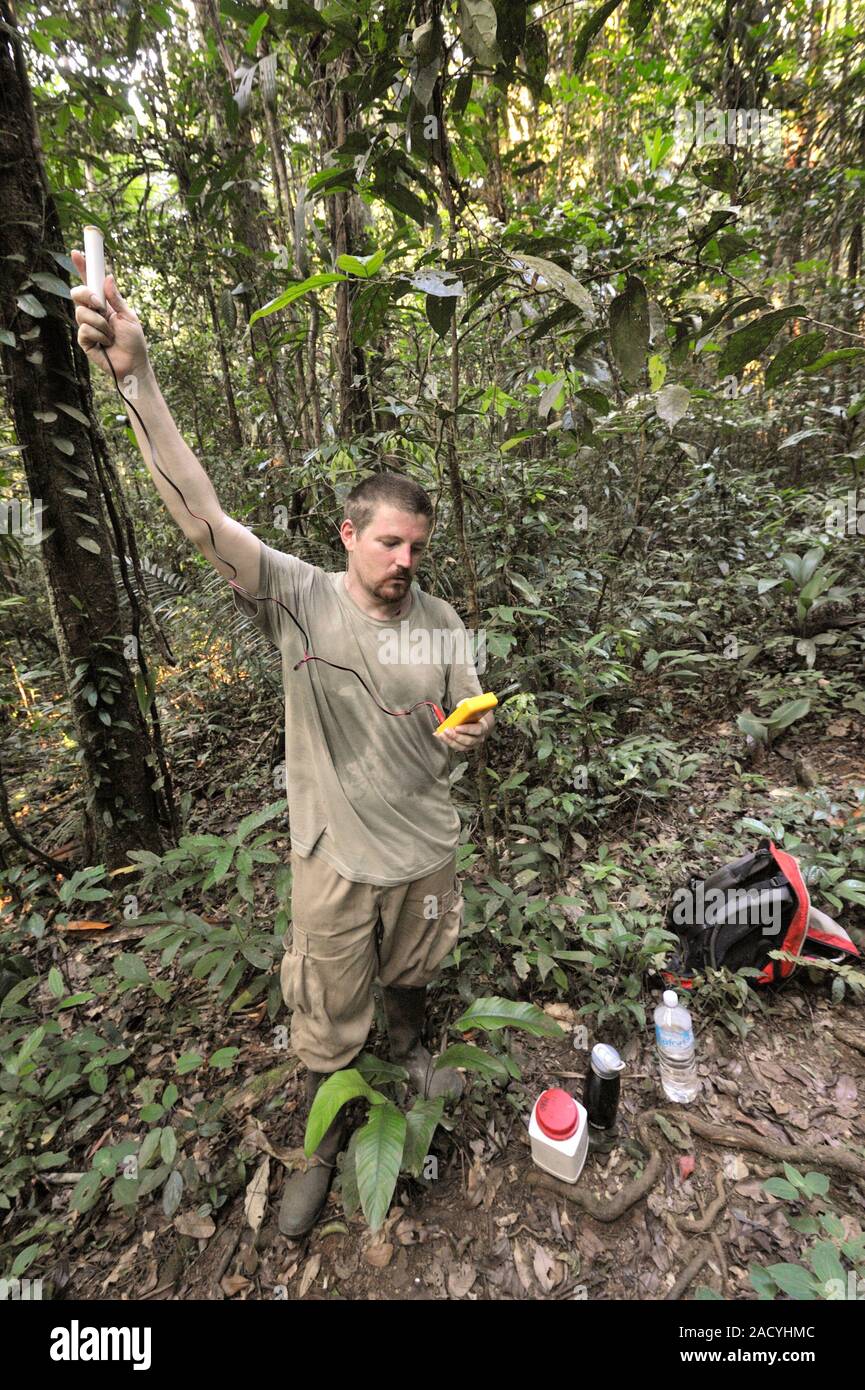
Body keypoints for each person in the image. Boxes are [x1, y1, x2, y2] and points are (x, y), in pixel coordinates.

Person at [71, 253, 494, 1237]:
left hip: (426, 852)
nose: (405, 561)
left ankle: (412, 1064)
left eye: (417, 546)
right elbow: (200, 512)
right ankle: (325, 1139)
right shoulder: (296, 598)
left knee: (414, 980)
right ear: (348, 534)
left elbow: (471, 708)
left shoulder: (437, 620)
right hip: (335, 863)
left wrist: (470, 729)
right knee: (324, 1014)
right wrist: (136, 377)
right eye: (389, 542)